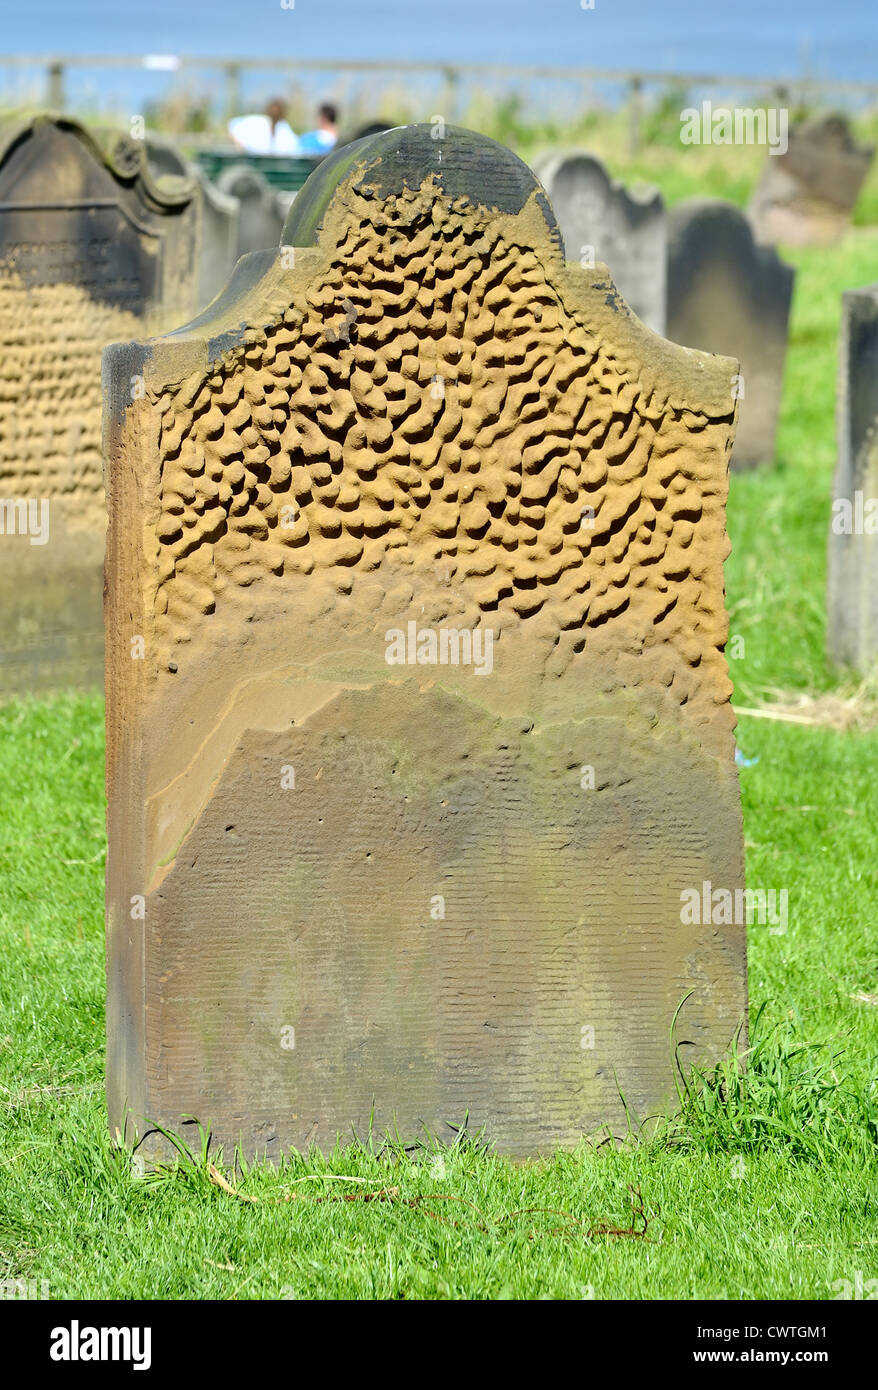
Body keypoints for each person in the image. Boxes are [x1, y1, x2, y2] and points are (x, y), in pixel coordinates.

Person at [228, 98, 299, 155]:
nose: (275, 113)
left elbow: (294, 148)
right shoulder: (258, 122)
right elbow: (233, 124)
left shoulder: (283, 128)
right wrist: (239, 145)